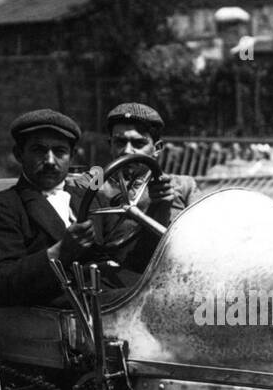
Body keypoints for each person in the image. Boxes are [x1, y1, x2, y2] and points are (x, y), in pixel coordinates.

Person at [0, 108, 104, 307]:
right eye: (39, 150)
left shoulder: (89, 200)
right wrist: (61, 251)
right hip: (56, 311)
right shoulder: (1, 208)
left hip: (104, 298)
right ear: (19, 154)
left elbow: (124, 254)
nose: (50, 161)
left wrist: (160, 204)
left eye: (59, 151)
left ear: (72, 156)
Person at [70, 102, 198, 273]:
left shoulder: (183, 186)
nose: (127, 150)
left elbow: (203, 242)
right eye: (120, 142)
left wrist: (163, 206)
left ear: (157, 148)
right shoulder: (94, 182)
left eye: (138, 143)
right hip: (119, 284)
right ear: (110, 144)